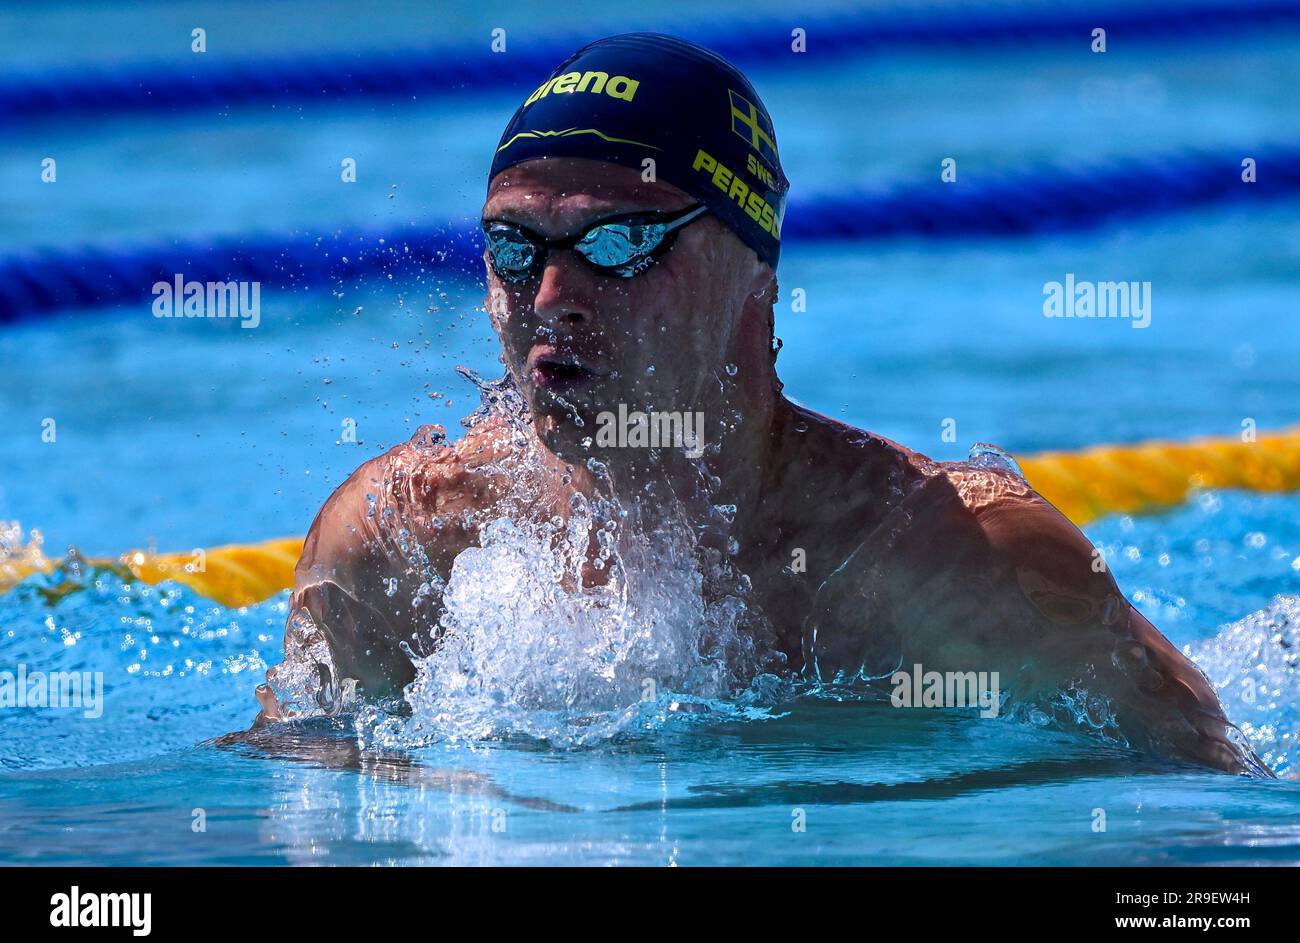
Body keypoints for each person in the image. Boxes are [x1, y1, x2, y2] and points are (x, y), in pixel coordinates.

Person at [254, 33, 1266, 777]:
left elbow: (1212, 816)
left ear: (753, 267)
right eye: (515, 250)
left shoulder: (960, 565)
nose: (552, 300)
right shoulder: (400, 543)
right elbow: (295, 812)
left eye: (618, 243)